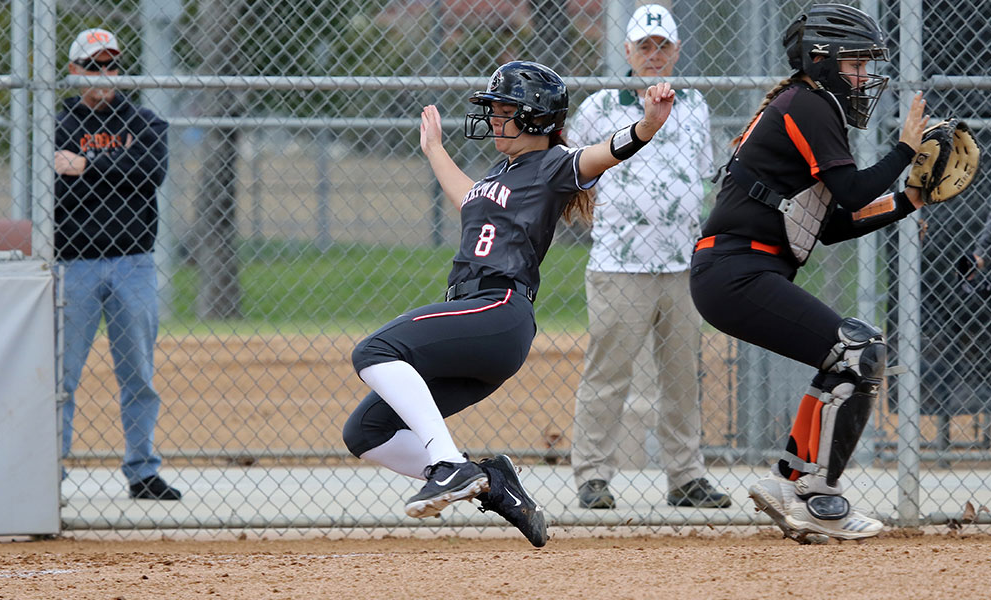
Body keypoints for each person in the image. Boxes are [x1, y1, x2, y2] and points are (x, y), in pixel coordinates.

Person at [342, 61, 675, 547]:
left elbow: (605, 154)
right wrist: (434, 151)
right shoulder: (503, 171)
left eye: (505, 109)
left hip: (498, 308)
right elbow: (468, 198)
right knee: (365, 432)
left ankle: (450, 466)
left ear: (537, 119)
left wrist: (648, 125)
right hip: (476, 318)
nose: (494, 118)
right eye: (494, 109)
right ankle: (493, 482)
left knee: (374, 351)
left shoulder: (553, 164)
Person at [689, 4, 930, 541]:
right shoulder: (809, 103)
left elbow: (833, 222)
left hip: (735, 270)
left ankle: (791, 483)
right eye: (855, 64)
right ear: (820, 61)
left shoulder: (809, 105)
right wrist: (904, 152)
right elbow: (849, 191)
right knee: (858, 351)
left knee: (846, 358)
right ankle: (820, 498)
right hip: (735, 269)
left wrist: (909, 199)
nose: (864, 77)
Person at [568, 3, 730, 511]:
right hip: (620, 262)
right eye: (645, 46)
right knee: (608, 373)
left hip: (682, 263)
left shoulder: (695, 105)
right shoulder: (600, 106)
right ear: (627, 52)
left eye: (663, 46)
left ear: (677, 50)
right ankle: (593, 476)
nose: (654, 55)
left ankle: (686, 477)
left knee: (682, 376)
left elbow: (708, 173)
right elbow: (571, 168)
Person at [54, 28, 180, 501]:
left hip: (133, 261)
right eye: (93, 65)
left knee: (138, 374)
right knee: (62, 376)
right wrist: (115, 174)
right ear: (74, 71)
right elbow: (56, 190)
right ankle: (51, 471)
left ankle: (142, 470)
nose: (103, 74)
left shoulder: (144, 122)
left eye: (110, 65)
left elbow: (151, 171)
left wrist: (84, 167)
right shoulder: (59, 123)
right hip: (74, 263)